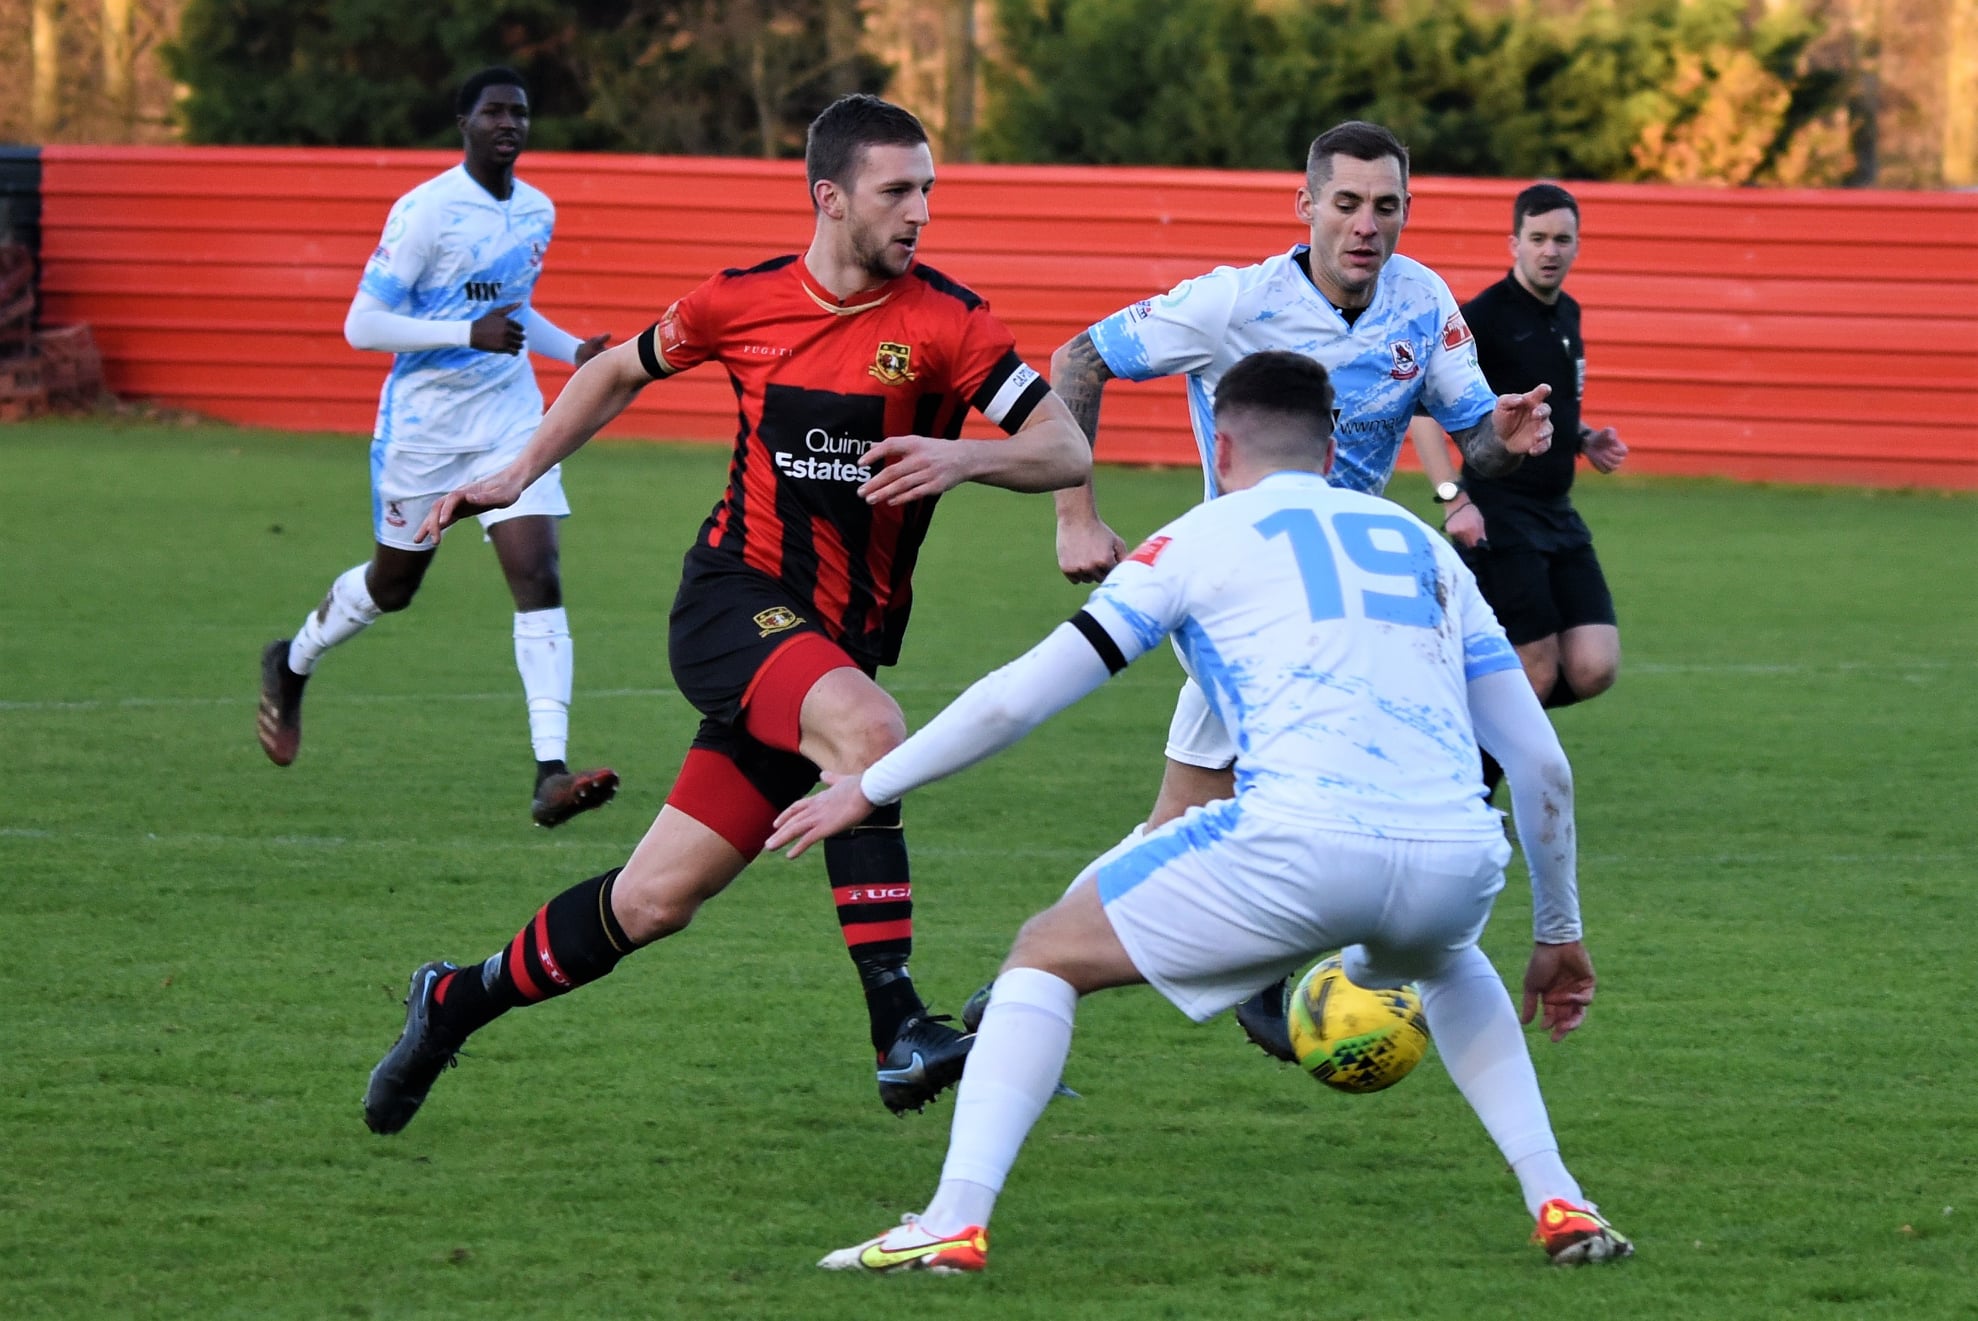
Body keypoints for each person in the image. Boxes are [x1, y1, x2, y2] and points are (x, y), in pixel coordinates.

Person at [768, 350, 1632, 1273]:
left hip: (1296, 842)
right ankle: (1561, 1201)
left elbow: (1020, 696)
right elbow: (1541, 761)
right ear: (1331, 449)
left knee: (1044, 953)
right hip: (1456, 855)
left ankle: (951, 1219)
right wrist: (1559, 932)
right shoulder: (1422, 545)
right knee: (1449, 959)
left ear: (1220, 448)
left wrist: (871, 784)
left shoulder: (1198, 537)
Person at [359, 94, 1092, 1134]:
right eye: (897, 191)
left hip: (830, 645)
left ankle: (452, 999)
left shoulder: (949, 322)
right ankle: (899, 1027)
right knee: (871, 731)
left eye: (928, 189)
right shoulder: (740, 302)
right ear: (830, 197)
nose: (921, 211)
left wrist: (961, 456)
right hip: (733, 603)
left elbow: (1065, 446)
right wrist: (515, 471)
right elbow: (616, 367)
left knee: (653, 900)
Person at [996, 120, 1555, 1057]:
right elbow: (1080, 359)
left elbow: (1476, 444)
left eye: (1386, 207)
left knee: (1184, 820)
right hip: (1250, 601)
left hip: (1351, 602)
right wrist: (1074, 517)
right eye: (1347, 204)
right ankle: (1220, 963)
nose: (1366, 225)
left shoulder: (1422, 301)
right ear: (1306, 206)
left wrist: (1503, 437)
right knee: (1362, 798)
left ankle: (1031, 976)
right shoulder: (1234, 302)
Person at [256, 66, 619, 830]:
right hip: (423, 431)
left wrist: (573, 352)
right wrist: (464, 332)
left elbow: (514, 312)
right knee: (393, 586)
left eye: (519, 112)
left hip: (509, 419)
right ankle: (292, 660)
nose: (508, 123)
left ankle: (550, 771)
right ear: (464, 123)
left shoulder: (537, 211)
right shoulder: (425, 211)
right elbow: (362, 324)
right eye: (493, 112)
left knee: (538, 570)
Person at [1410, 182, 1626, 798]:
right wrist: (1454, 499)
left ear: (1577, 245)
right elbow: (1424, 410)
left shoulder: (1567, 313)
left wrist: (1582, 437)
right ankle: (1466, 800)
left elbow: (1535, 409)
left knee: (1593, 666)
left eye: (1562, 239)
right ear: (1514, 243)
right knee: (1533, 671)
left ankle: (1465, 714)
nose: (1550, 251)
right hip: (1498, 511)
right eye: (1538, 239)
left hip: (1557, 512)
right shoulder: (1483, 318)